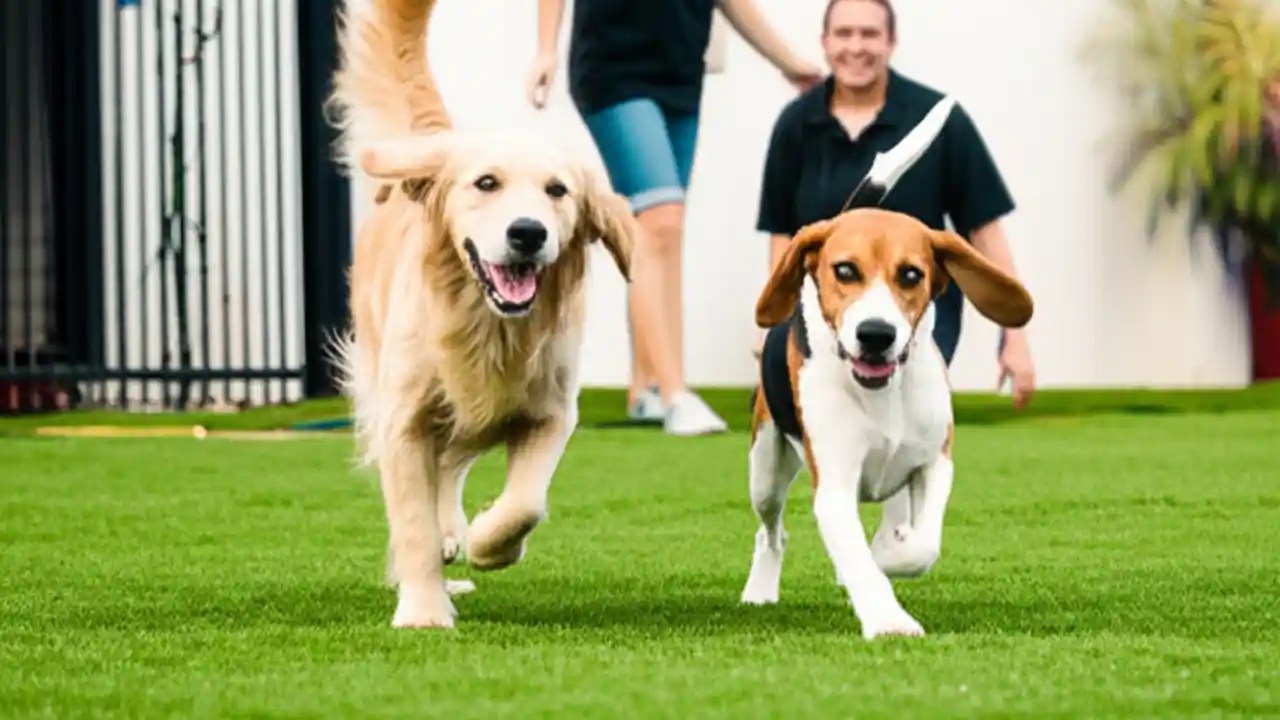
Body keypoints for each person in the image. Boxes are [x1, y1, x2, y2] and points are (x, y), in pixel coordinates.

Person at [527, 0, 825, 435]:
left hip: (680, 73)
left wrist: (788, 62)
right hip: (613, 71)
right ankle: (674, 395)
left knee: (656, 229)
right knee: (661, 221)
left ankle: (643, 388)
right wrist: (545, 49)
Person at [755, 0, 1036, 408]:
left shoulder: (939, 121)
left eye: (869, 34)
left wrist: (1015, 336)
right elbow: (783, 233)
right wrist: (776, 326)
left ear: (891, 42)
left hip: (918, 309)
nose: (856, 46)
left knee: (897, 417)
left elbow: (985, 229)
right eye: (844, 33)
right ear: (825, 42)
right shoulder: (796, 124)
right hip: (824, 310)